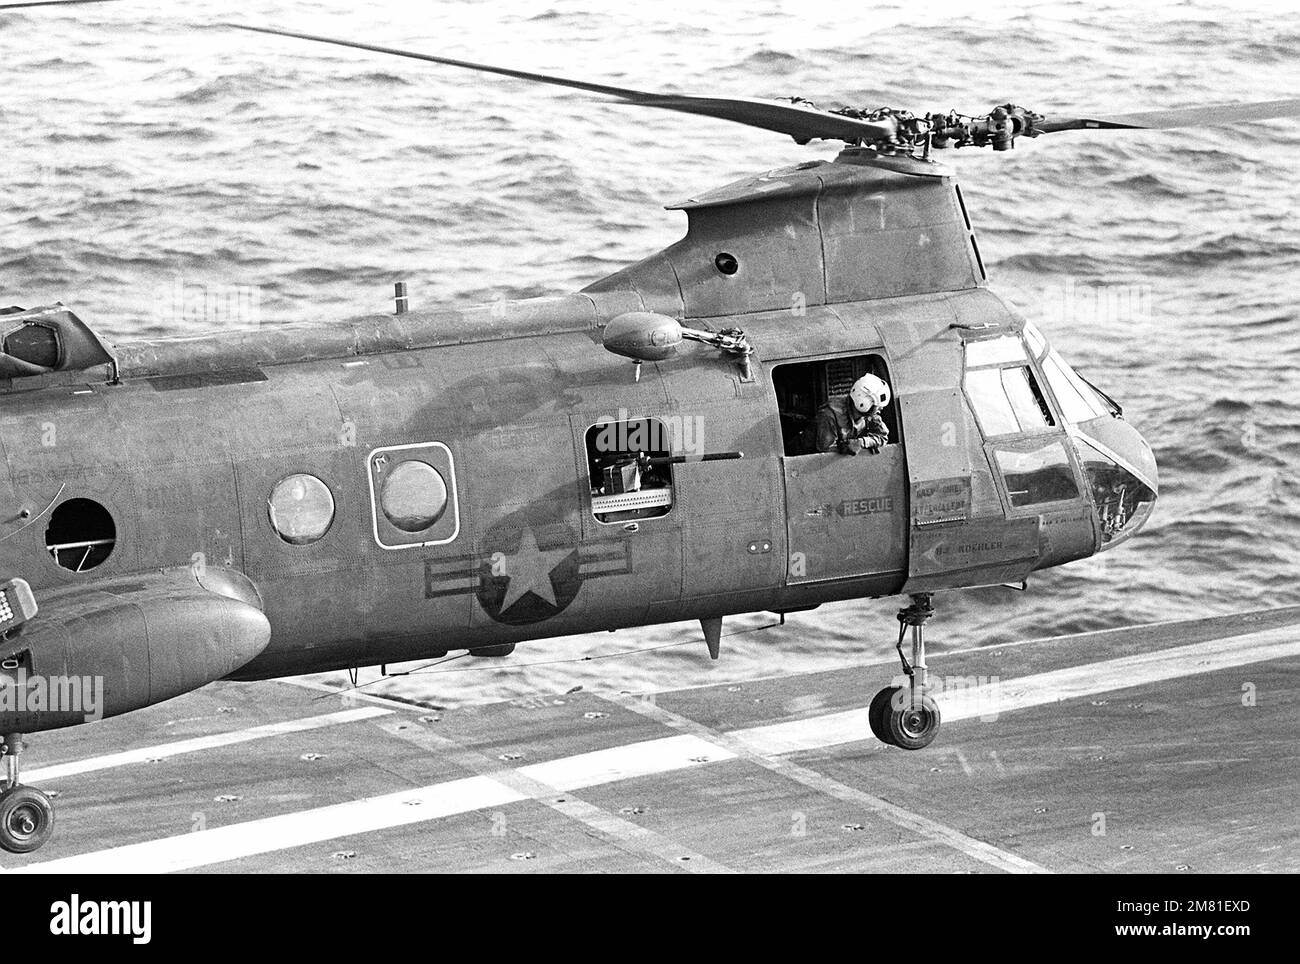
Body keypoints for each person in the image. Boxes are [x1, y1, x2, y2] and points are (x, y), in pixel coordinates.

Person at [815, 374, 891, 455]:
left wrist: (862, 442)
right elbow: (825, 450)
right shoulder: (829, 415)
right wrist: (845, 448)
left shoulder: (869, 415)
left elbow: (882, 436)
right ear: (864, 402)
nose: (881, 409)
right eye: (878, 406)